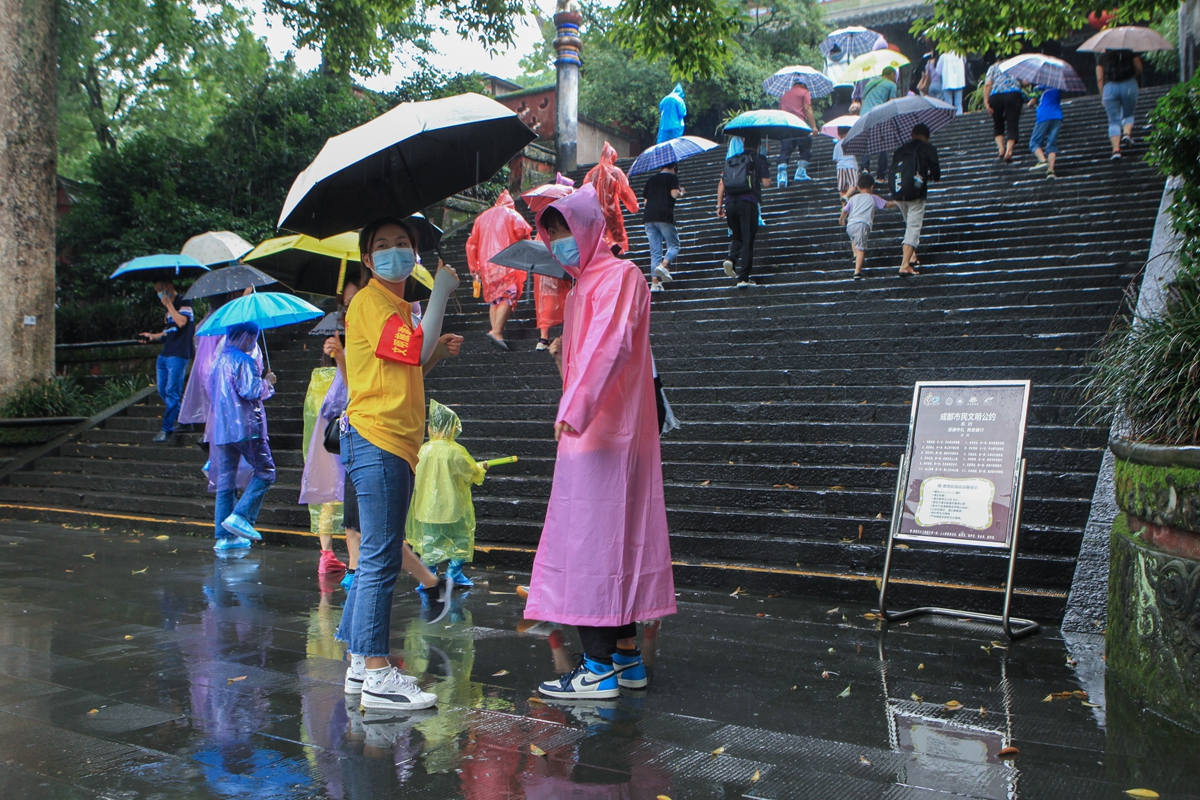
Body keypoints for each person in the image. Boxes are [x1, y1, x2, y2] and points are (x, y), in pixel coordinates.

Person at [528, 185, 676, 700]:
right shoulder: (589, 284)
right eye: (553, 233)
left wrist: (574, 406)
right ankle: (626, 657)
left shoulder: (616, 276)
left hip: (599, 435)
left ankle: (596, 666)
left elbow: (608, 346)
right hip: (608, 431)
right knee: (616, 544)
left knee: (590, 547)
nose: (561, 241)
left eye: (567, 228)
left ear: (591, 225)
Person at [337, 216, 464, 712]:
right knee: (381, 557)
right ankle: (376, 673)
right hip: (378, 437)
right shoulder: (370, 301)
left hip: (389, 438)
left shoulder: (393, 304)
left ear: (414, 253)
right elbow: (410, 348)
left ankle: (356, 661)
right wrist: (442, 291)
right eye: (383, 246)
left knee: (377, 553)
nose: (395, 251)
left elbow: (408, 365)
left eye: (403, 244)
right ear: (368, 260)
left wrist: (437, 356)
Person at [208, 321, 277, 552]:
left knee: (226, 481)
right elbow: (252, 391)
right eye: (253, 336)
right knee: (266, 472)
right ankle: (241, 516)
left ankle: (224, 536)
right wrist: (268, 382)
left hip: (223, 429)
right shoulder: (244, 361)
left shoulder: (217, 362)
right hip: (247, 428)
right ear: (247, 336)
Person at [405, 400, 487, 588]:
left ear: (430, 428)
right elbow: (471, 473)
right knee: (461, 539)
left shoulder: (422, 450)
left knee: (429, 543)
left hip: (426, 508)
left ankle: (428, 575)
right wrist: (481, 468)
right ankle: (454, 573)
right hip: (453, 507)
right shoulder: (456, 451)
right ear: (452, 428)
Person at [323, 275, 363, 590]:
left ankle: (430, 581)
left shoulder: (369, 340)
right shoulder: (348, 341)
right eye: (346, 305)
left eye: (355, 302)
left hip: (372, 433)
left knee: (365, 512)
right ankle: (353, 568)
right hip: (351, 434)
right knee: (351, 510)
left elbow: (359, 390)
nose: (350, 310)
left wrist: (341, 358)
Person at [465, 190, 532, 351]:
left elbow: (471, 244)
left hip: (487, 266)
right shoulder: (510, 213)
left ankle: (494, 330)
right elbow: (523, 230)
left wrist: (474, 267)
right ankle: (497, 331)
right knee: (508, 295)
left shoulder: (481, 218)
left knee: (495, 299)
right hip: (505, 262)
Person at [299, 361, 349, 576]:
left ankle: (326, 554)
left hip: (322, 443)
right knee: (352, 499)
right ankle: (355, 558)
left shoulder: (316, 381)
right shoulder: (341, 375)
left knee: (329, 500)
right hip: (343, 438)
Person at [138, 278, 194, 443]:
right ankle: (185, 420)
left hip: (178, 354)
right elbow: (168, 332)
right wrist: (151, 336)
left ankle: (167, 429)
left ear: (169, 287)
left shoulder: (184, 302)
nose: (159, 294)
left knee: (172, 392)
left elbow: (182, 322)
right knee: (163, 390)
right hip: (165, 353)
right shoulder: (169, 308)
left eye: (160, 290)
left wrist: (168, 304)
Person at [716, 135, 772, 288]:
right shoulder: (759, 159)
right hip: (748, 202)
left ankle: (731, 259)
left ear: (744, 143)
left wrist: (719, 206)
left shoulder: (733, 159)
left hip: (730, 203)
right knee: (747, 239)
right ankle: (743, 278)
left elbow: (722, 183)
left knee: (737, 235)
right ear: (759, 145)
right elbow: (767, 183)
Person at [889, 123, 941, 276]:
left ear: (912, 134)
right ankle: (904, 265)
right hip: (916, 194)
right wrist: (927, 176)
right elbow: (936, 175)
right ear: (926, 136)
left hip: (899, 193)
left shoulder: (899, 150)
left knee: (909, 224)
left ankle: (912, 256)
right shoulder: (928, 148)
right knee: (913, 228)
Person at [583, 142, 640, 255]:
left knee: (598, 240)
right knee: (615, 241)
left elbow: (584, 193)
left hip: (593, 213)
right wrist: (634, 206)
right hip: (611, 212)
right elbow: (625, 191)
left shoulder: (591, 174)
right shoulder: (615, 172)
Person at [839, 174, 896, 279]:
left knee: (854, 240)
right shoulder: (872, 197)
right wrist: (897, 203)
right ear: (872, 187)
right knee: (861, 248)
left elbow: (845, 210)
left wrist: (841, 218)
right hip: (862, 224)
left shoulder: (853, 198)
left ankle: (855, 255)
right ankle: (857, 271)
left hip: (850, 225)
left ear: (858, 187)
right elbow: (887, 204)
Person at [642, 162, 684, 292]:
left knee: (655, 252)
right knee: (674, 245)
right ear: (674, 168)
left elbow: (645, 202)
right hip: (664, 216)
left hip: (649, 218)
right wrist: (681, 192)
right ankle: (664, 264)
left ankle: (655, 283)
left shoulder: (651, 180)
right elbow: (674, 194)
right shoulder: (672, 178)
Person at [1096, 49, 1142, 160]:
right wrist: (1132, 75)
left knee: (1113, 121)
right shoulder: (1130, 53)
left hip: (1110, 87)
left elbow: (1100, 78)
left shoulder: (1102, 58)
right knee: (1128, 114)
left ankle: (1116, 150)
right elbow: (1139, 67)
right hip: (1129, 84)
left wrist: (1102, 94)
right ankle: (1126, 133)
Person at [857, 67, 899, 179]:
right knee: (882, 143)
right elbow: (891, 103)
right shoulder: (891, 85)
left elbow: (863, 101)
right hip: (879, 114)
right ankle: (881, 175)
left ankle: (865, 168)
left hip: (864, 115)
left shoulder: (869, 84)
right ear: (892, 74)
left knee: (866, 142)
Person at [778, 79, 818, 186]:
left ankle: (782, 176)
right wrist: (813, 126)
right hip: (799, 125)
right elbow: (807, 108)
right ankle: (800, 172)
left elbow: (780, 111)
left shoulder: (784, 95)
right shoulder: (804, 92)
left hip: (786, 126)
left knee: (785, 151)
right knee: (806, 149)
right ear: (804, 85)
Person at [984, 60, 1026, 162]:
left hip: (996, 96)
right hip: (1013, 95)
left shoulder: (993, 67)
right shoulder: (1015, 65)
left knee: (998, 124)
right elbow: (1025, 82)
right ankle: (1009, 151)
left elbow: (988, 84)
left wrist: (986, 102)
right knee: (1012, 123)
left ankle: (1001, 149)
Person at [1027, 86, 1063, 179]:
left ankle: (1043, 161)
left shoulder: (1038, 88)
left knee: (1034, 142)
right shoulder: (1057, 88)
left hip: (1044, 116)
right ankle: (1051, 171)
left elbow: (1031, 102)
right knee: (1052, 145)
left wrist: (1030, 105)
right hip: (1057, 116)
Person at [832, 125, 859, 200]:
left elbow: (835, 158)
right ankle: (846, 197)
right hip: (851, 165)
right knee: (854, 184)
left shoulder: (837, 145)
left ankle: (843, 207)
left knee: (842, 188)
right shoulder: (852, 142)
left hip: (840, 166)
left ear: (838, 134)